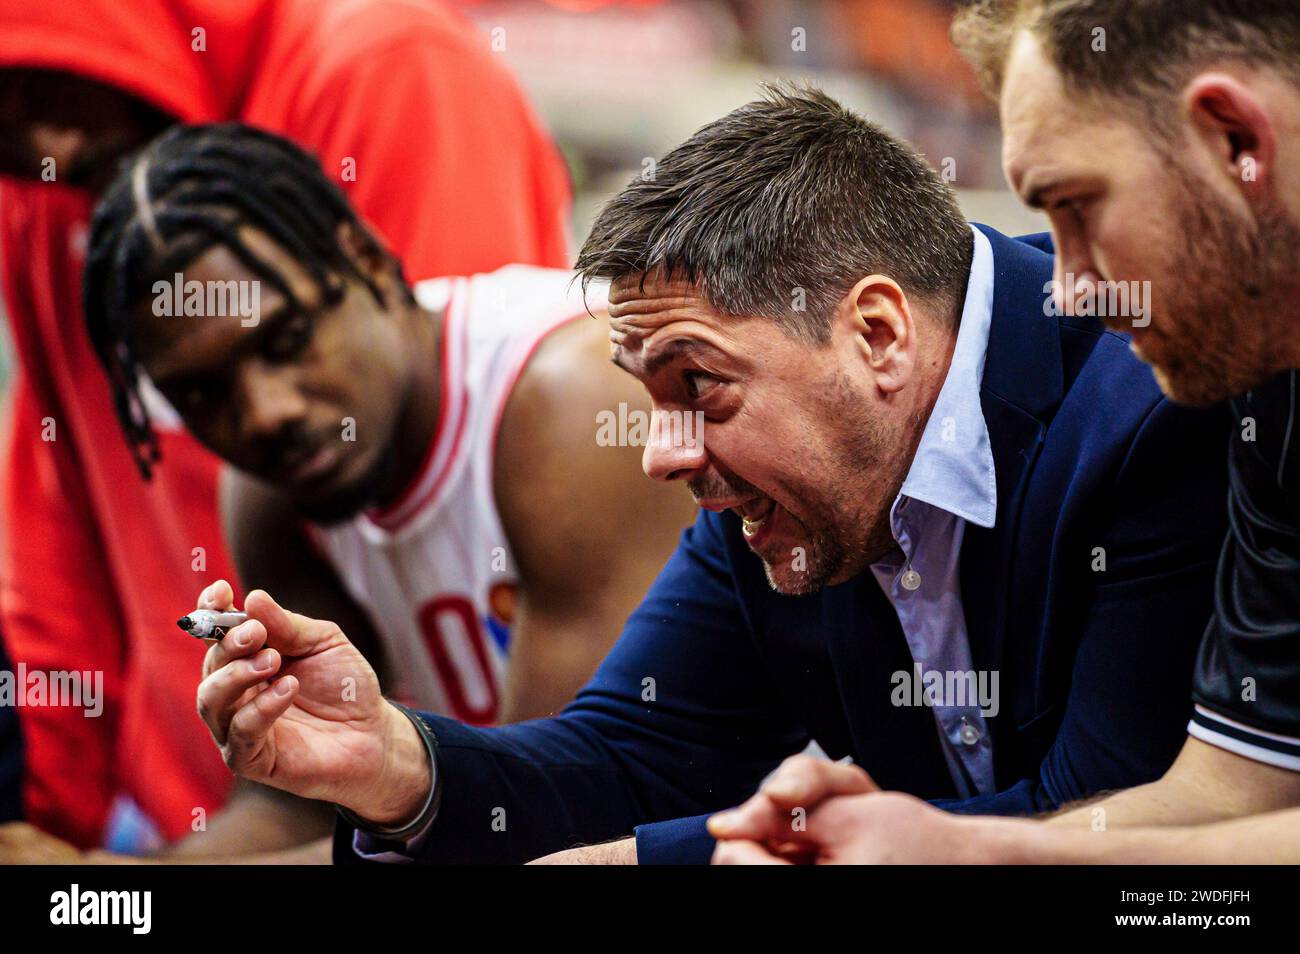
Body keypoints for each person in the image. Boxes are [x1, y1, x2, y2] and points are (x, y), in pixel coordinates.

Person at [196, 86, 1229, 866]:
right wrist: (392, 763)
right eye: (649, 392)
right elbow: (630, 756)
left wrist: (694, 855)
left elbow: (1102, 821)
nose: (663, 453)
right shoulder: (771, 491)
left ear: (876, 334)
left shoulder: (1150, 403)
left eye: (700, 385)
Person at [712, 0, 1300, 864]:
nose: (1067, 289)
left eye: (1077, 207)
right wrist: (947, 849)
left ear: (1236, 140)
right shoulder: (1269, 386)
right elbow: (1239, 790)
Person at [0, 0, 571, 854]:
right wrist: (63, 855)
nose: (49, 149)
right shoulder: (269, 491)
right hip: (235, 801)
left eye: (288, 340)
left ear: (371, 258)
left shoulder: (383, 72)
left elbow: (543, 821)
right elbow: (55, 529)